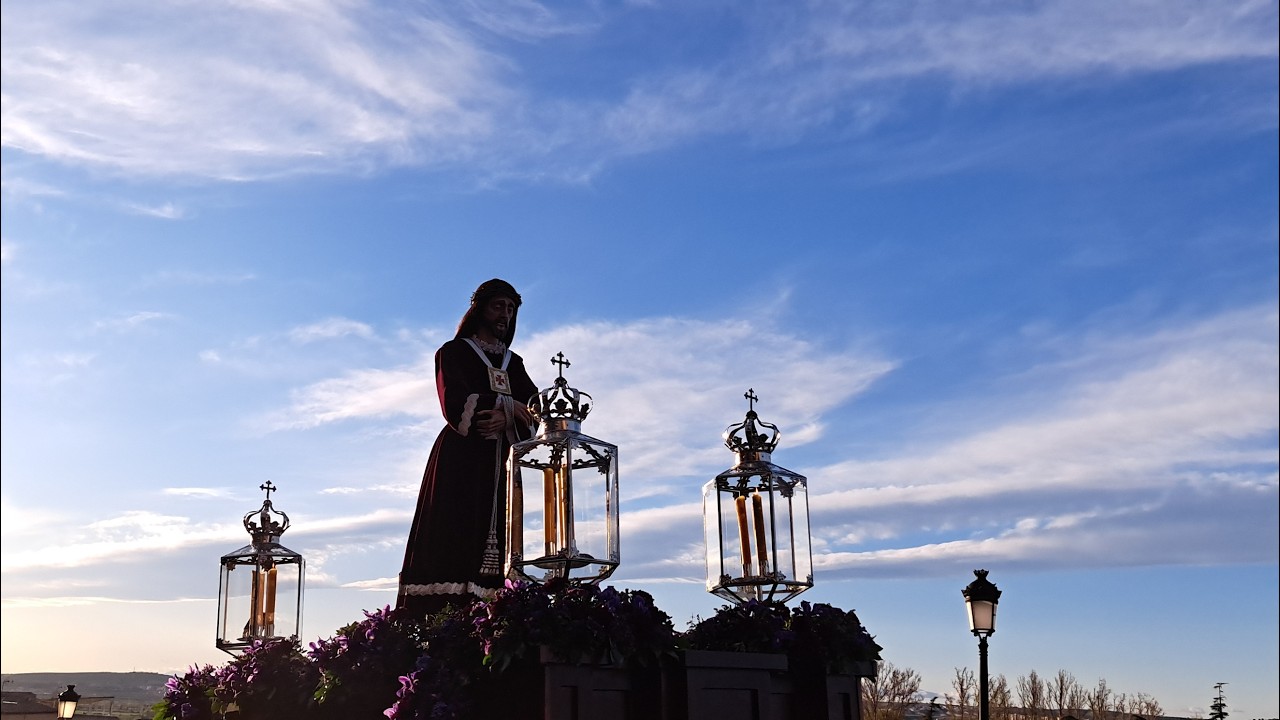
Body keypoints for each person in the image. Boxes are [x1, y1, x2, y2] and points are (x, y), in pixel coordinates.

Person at [397, 279, 539, 616]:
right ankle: (442, 616)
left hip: (499, 462)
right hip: (460, 459)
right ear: (480, 309)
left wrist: (511, 416)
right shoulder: (454, 352)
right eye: (498, 306)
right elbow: (455, 404)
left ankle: (492, 614)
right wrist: (508, 406)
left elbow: (534, 407)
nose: (505, 314)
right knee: (453, 531)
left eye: (511, 308)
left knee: (497, 535)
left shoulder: (513, 363)